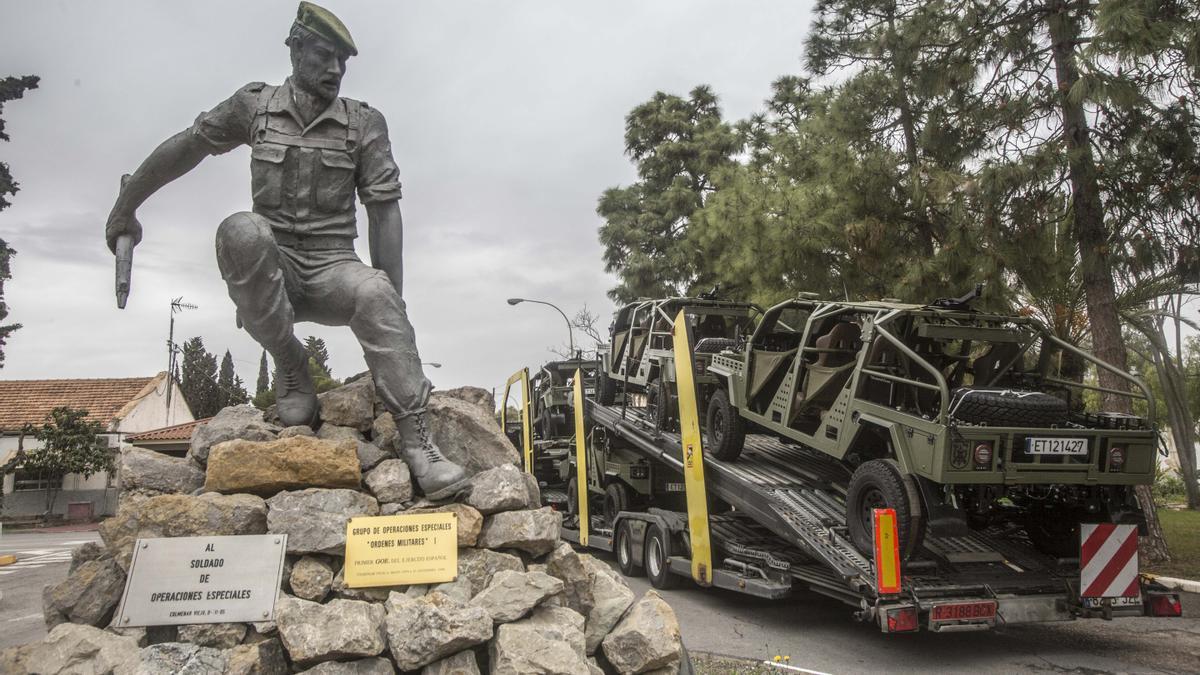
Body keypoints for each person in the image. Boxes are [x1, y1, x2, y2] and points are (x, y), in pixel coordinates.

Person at [104, 2, 468, 498]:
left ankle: (418, 439)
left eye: (342, 60)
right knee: (241, 230)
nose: (335, 69)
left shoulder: (364, 122)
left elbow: (384, 212)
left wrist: (391, 301)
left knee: (376, 292)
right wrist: (126, 206)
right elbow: (188, 146)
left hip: (335, 267)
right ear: (295, 49)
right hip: (274, 265)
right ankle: (291, 363)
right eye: (324, 55)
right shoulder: (254, 106)